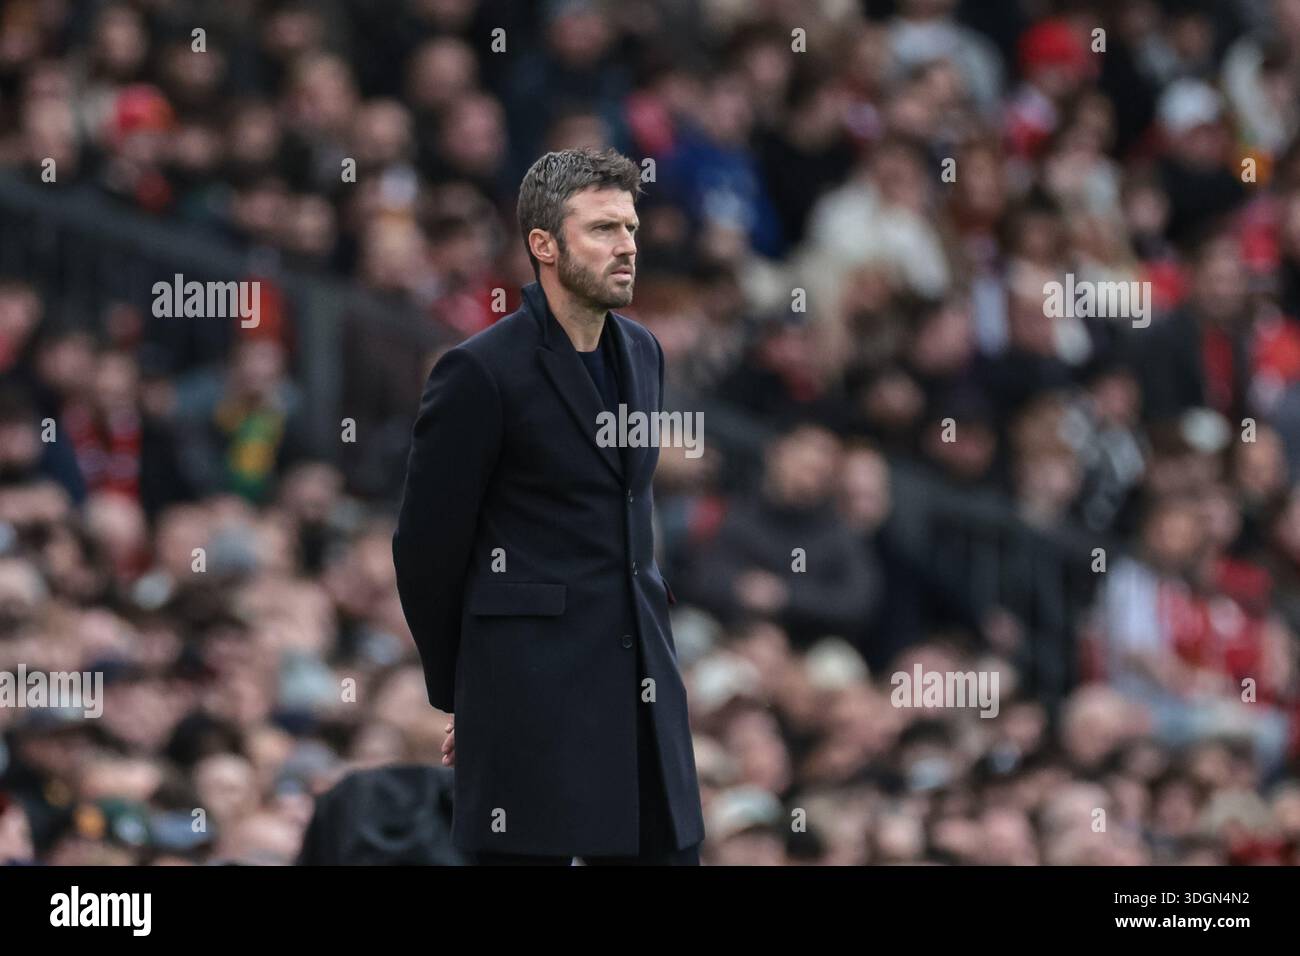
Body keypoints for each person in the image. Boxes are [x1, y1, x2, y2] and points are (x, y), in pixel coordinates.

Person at [392, 147, 705, 864]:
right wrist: (467, 695)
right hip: (535, 709)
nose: (626, 245)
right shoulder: (478, 371)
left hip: (647, 696)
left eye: (630, 227)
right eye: (601, 229)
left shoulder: (644, 351)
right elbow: (424, 549)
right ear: (544, 244)